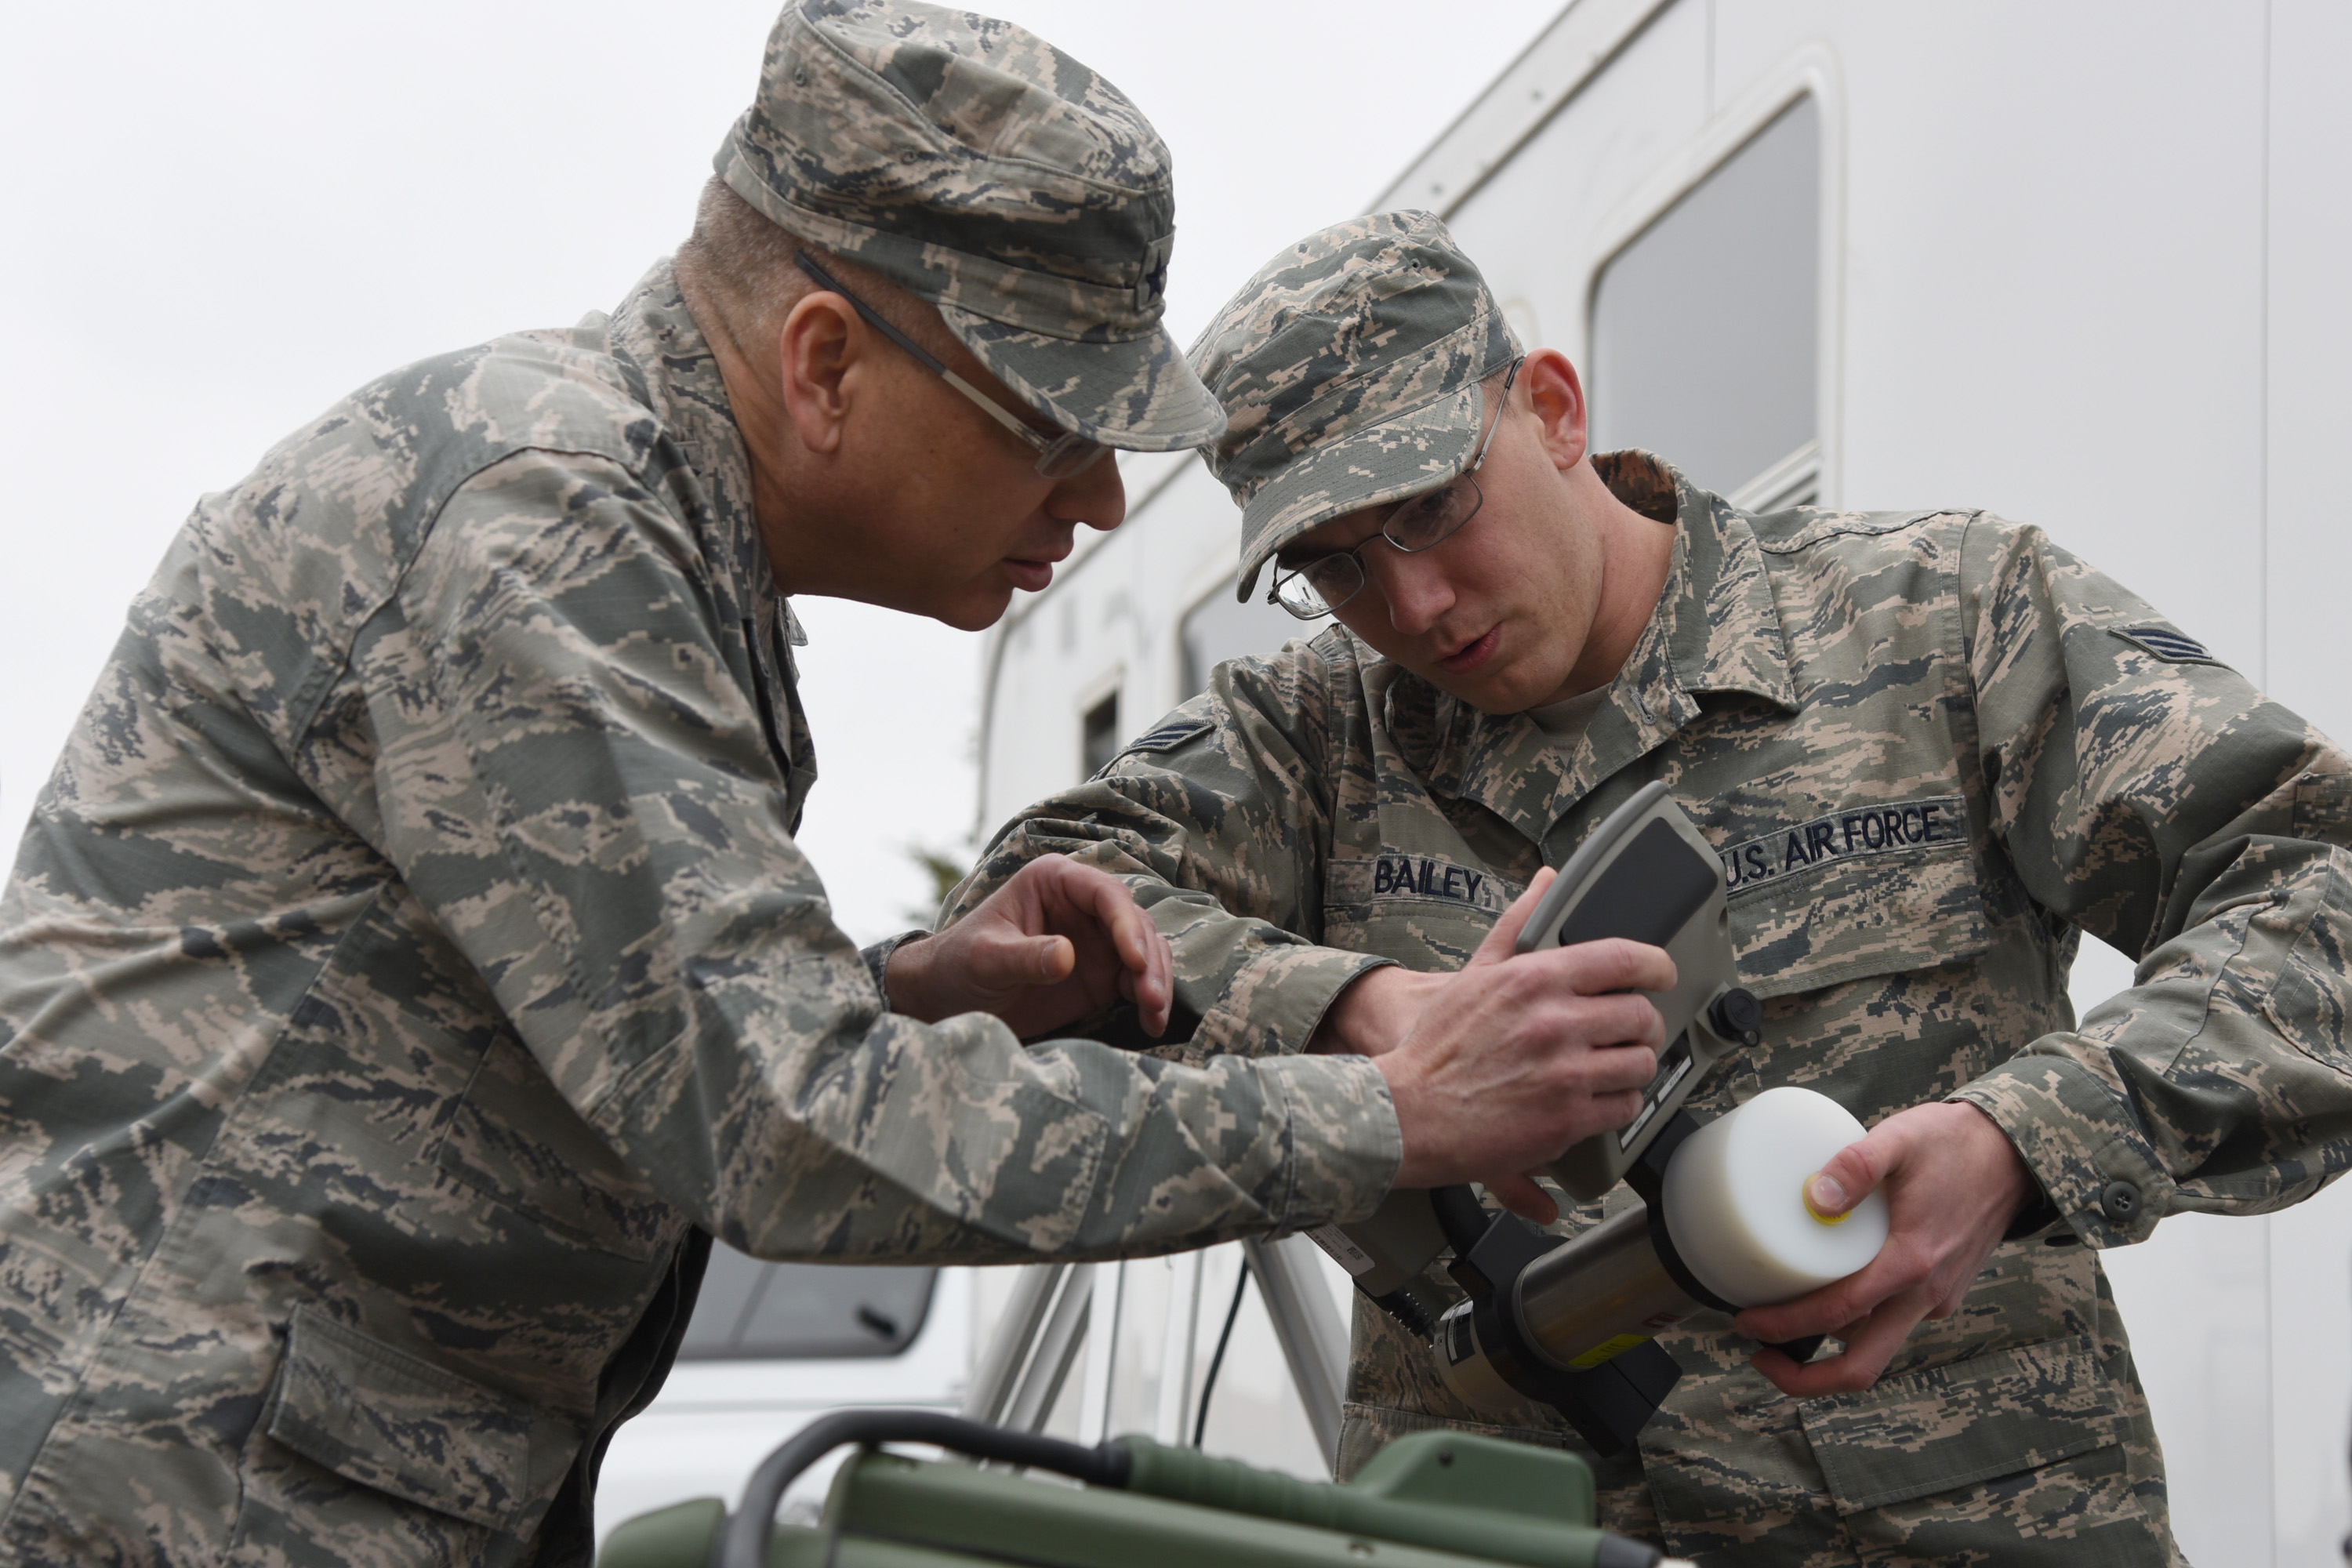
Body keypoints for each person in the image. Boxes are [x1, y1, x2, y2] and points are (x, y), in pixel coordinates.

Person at [0, 20, 1672, 1567]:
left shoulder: (645, 540)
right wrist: (1390, 1110)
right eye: (1052, 427)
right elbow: (785, 1129)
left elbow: (598, 1040)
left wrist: (897, 992)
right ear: (821, 364)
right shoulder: (540, 530)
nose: (1097, 498)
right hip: (172, 1483)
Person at [945, 209, 2352, 1565]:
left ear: (1552, 411)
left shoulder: (1941, 621)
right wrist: (1372, 1019)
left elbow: (2318, 878)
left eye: (1432, 508)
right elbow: (1016, 922)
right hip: (1499, 1524)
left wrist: (2022, 1142)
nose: (1412, 607)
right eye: (1334, 567)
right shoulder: (1316, 742)